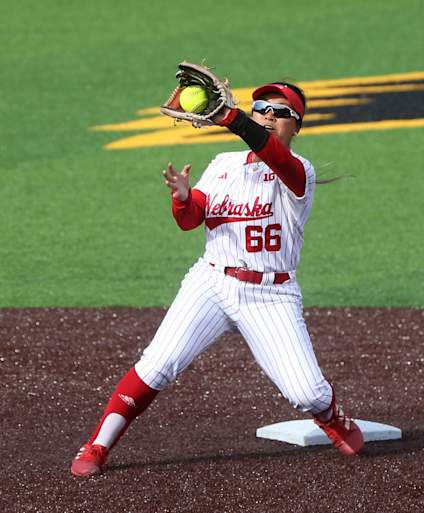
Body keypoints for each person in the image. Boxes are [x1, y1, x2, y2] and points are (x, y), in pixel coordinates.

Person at [70, 81, 363, 477]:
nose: (269, 115)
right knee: (158, 365)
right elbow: (191, 221)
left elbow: (273, 154)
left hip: (271, 295)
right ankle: (98, 445)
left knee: (306, 392)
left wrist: (235, 117)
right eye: (262, 107)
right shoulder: (224, 164)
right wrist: (182, 198)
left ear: (297, 127)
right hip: (211, 283)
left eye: (282, 112)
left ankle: (330, 416)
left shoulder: (298, 173)